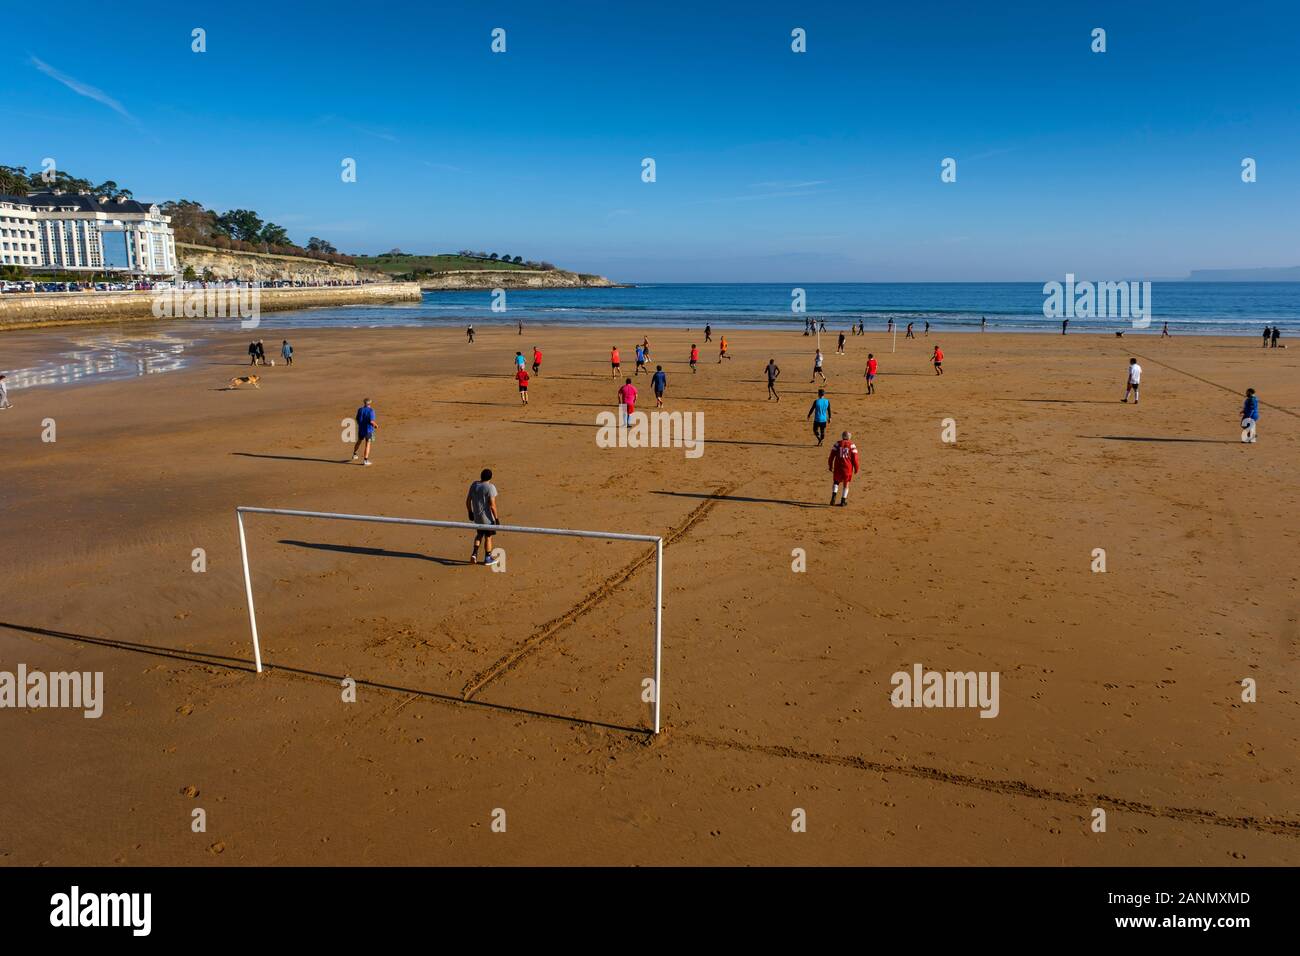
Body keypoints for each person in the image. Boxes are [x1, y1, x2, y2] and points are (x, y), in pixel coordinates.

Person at [466, 468, 500, 566]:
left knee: (479, 535)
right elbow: (492, 505)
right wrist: (496, 518)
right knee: (488, 537)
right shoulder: (490, 487)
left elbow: (468, 501)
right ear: (490, 477)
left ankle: (474, 554)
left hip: (477, 518)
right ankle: (488, 558)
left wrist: (470, 512)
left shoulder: (474, 485)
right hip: (488, 519)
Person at [828, 431, 860, 506]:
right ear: (849, 437)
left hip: (838, 467)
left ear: (842, 436)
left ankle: (834, 496)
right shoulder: (852, 445)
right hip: (847, 468)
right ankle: (843, 500)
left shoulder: (837, 444)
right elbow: (855, 458)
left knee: (836, 482)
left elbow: (831, 456)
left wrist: (830, 465)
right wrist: (856, 468)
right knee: (846, 484)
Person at [352, 398, 377, 465]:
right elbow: (371, 421)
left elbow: (357, 419)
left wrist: (360, 425)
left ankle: (354, 454)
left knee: (359, 441)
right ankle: (365, 460)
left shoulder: (360, 410)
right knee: (367, 444)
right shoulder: (371, 411)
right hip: (368, 430)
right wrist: (376, 425)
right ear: (370, 403)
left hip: (361, 429)